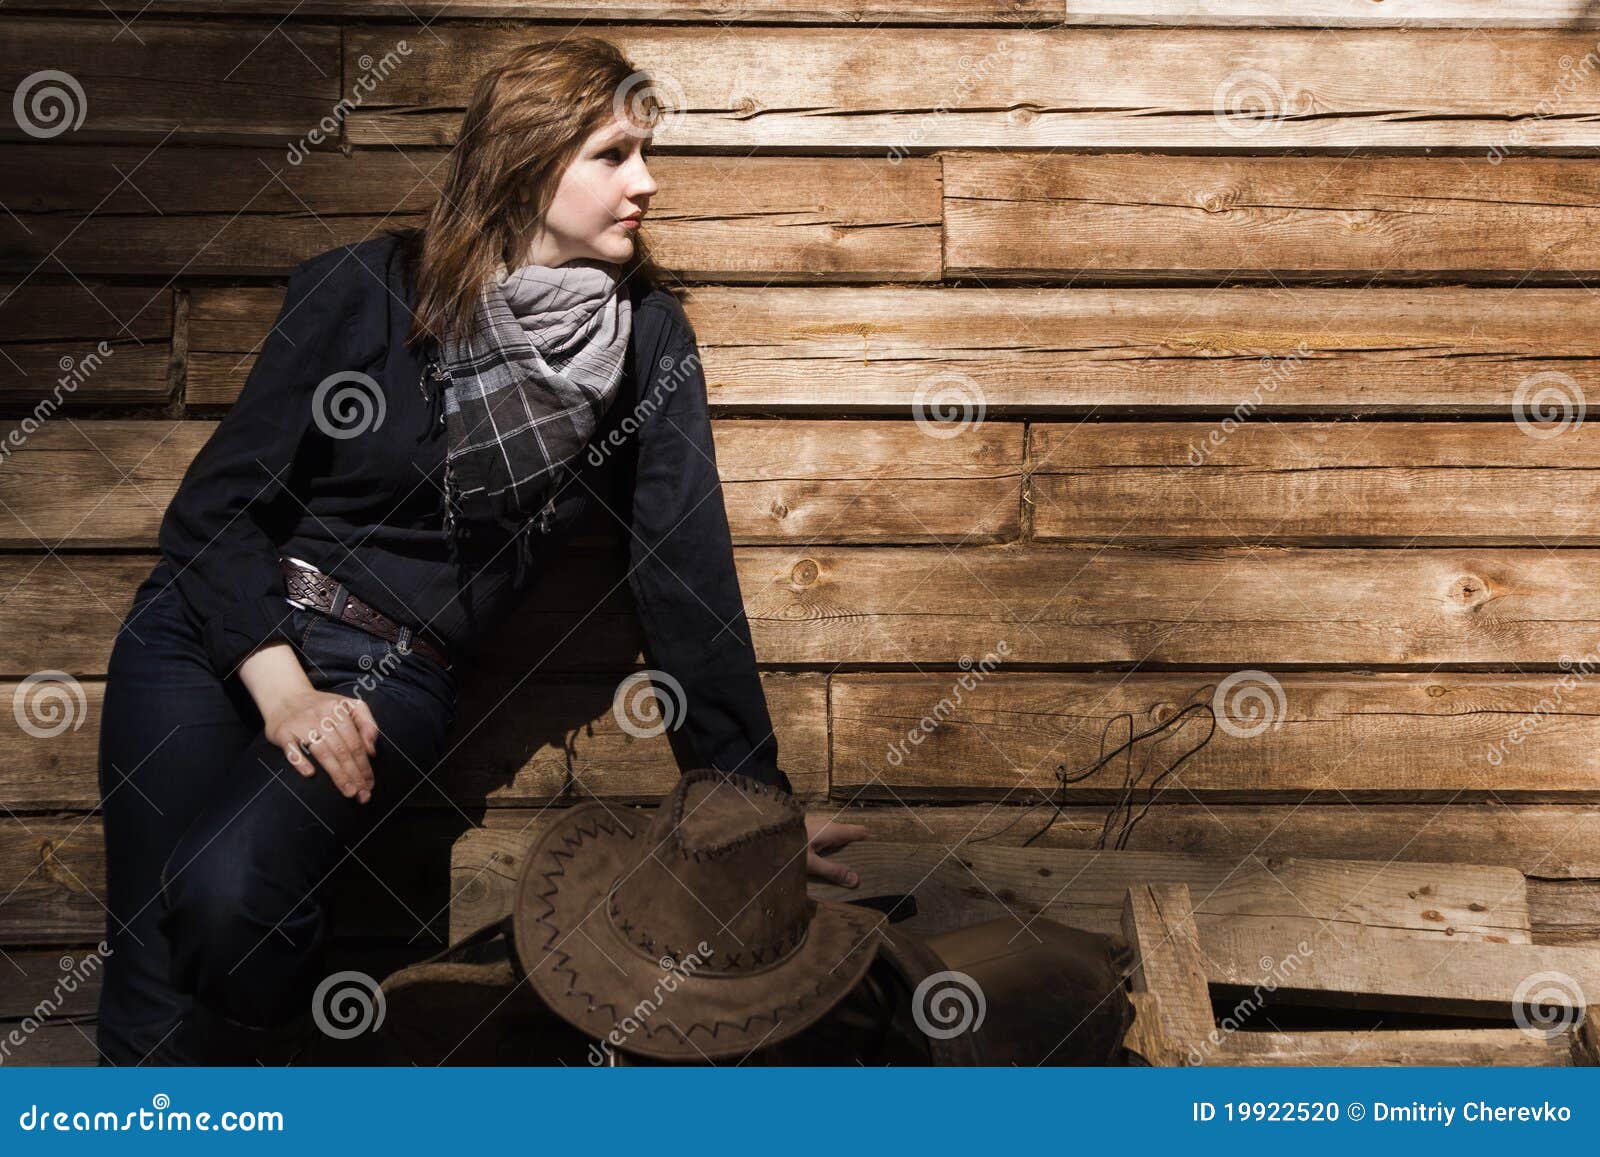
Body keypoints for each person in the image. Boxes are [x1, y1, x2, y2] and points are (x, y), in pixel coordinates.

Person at [94, 36, 869, 1067]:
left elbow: (684, 573)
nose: (648, 180)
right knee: (148, 974)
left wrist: (751, 811)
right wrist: (282, 691)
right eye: (612, 154)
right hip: (209, 637)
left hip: (388, 665)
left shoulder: (643, 343)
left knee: (226, 896)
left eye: (645, 152)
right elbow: (213, 510)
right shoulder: (363, 290)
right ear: (525, 160)